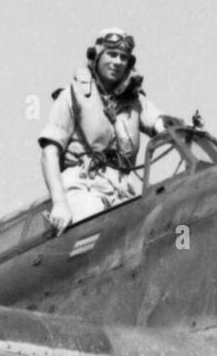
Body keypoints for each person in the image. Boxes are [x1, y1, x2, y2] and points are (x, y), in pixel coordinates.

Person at [38, 28, 168, 233]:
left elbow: (159, 122)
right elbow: (49, 153)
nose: (117, 62)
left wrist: (170, 127)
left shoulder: (134, 100)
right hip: (83, 188)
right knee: (93, 236)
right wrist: (60, 203)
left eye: (124, 57)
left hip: (123, 191)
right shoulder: (73, 94)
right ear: (97, 56)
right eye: (112, 54)